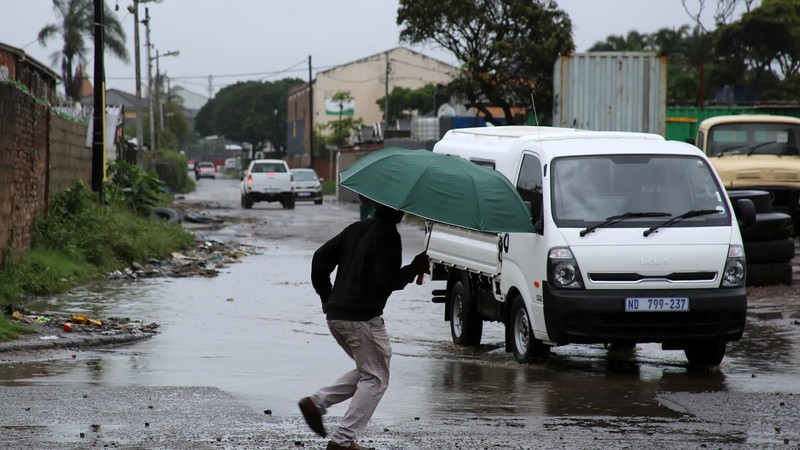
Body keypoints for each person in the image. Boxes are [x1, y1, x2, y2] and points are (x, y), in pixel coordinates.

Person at [299, 201, 429, 450]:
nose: (402, 212)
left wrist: (327, 296)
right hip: (361, 319)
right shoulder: (388, 234)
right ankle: (342, 440)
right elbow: (386, 282)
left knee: (370, 369)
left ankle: (317, 403)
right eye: (400, 208)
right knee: (376, 379)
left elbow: (320, 258)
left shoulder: (356, 228)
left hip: (337, 317)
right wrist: (414, 268)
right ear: (397, 211)